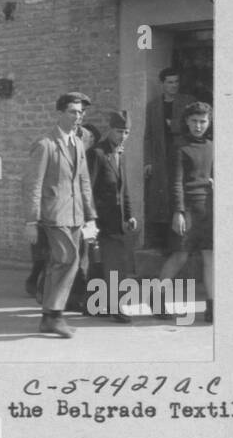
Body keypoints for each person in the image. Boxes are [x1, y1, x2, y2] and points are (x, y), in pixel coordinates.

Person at [23, 92, 98, 338]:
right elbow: (33, 185)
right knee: (67, 259)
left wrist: (90, 215)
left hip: (75, 214)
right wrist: (31, 221)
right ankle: (53, 315)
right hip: (53, 214)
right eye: (72, 112)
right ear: (60, 113)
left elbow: (84, 181)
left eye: (80, 113)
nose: (77, 117)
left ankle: (51, 316)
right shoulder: (45, 144)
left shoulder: (77, 143)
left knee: (66, 261)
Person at [157, 102, 214, 323]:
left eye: (203, 121)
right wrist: (178, 212)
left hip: (208, 208)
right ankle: (158, 300)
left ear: (209, 123)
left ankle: (212, 307)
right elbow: (176, 183)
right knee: (180, 255)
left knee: (210, 256)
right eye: (194, 121)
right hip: (187, 209)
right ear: (187, 122)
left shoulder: (212, 146)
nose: (198, 126)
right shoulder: (179, 147)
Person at [87, 111, 138, 322]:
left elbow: (123, 189)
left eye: (126, 132)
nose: (123, 136)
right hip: (100, 220)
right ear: (110, 130)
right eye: (119, 131)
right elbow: (87, 188)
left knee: (107, 263)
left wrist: (130, 215)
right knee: (111, 264)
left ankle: (94, 305)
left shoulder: (120, 153)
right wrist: (90, 221)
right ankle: (115, 307)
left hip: (117, 221)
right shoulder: (97, 153)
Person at [144, 68, 197, 252]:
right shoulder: (153, 105)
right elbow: (148, 135)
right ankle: (165, 243)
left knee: (180, 194)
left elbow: (192, 126)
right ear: (162, 84)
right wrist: (148, 161)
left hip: (181, 154)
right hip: (161, 157)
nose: (174, 86)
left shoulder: (187, 101)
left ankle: (183, 242)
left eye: (176, 82)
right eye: (170, 82)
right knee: (161, 199)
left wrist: (172, 124)